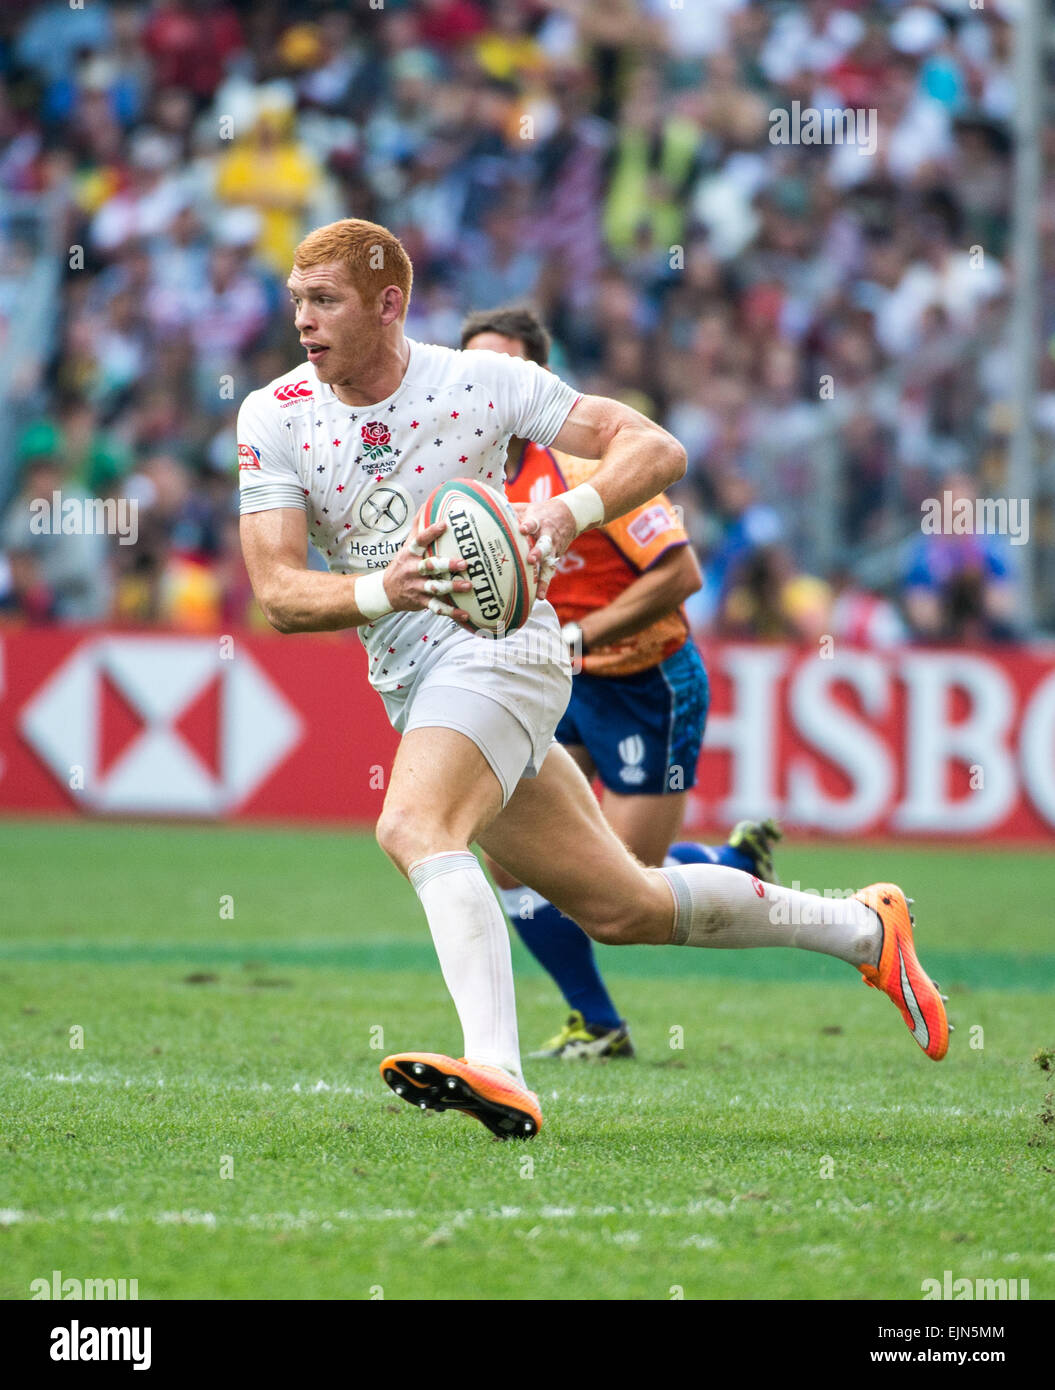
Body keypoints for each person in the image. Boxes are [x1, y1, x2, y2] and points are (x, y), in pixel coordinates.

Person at [238, 219, 949, 1142]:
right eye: (296, 300)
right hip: (414, 677)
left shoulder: (479, 383)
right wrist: (388, 587)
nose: (303, 319)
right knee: (623, 902)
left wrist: (565, 513)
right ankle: (864, 930)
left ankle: (496, 1067)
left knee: (414, 823)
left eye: (323, 300)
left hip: (509, 647)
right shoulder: (275, 413)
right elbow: (279, 594)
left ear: (388, 304)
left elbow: (654, 448)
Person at [461, 305, 781, 1060]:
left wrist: (581, 635)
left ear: (534, 379)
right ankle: (596, 1023)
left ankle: (730, 867)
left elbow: (681, 573)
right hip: (559, 684)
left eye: (501, 368)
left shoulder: (586, 466)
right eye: (471, 368)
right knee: (512, 852)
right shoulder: (459, 473)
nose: (483, 385)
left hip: (645, 680)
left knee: (617, 884)